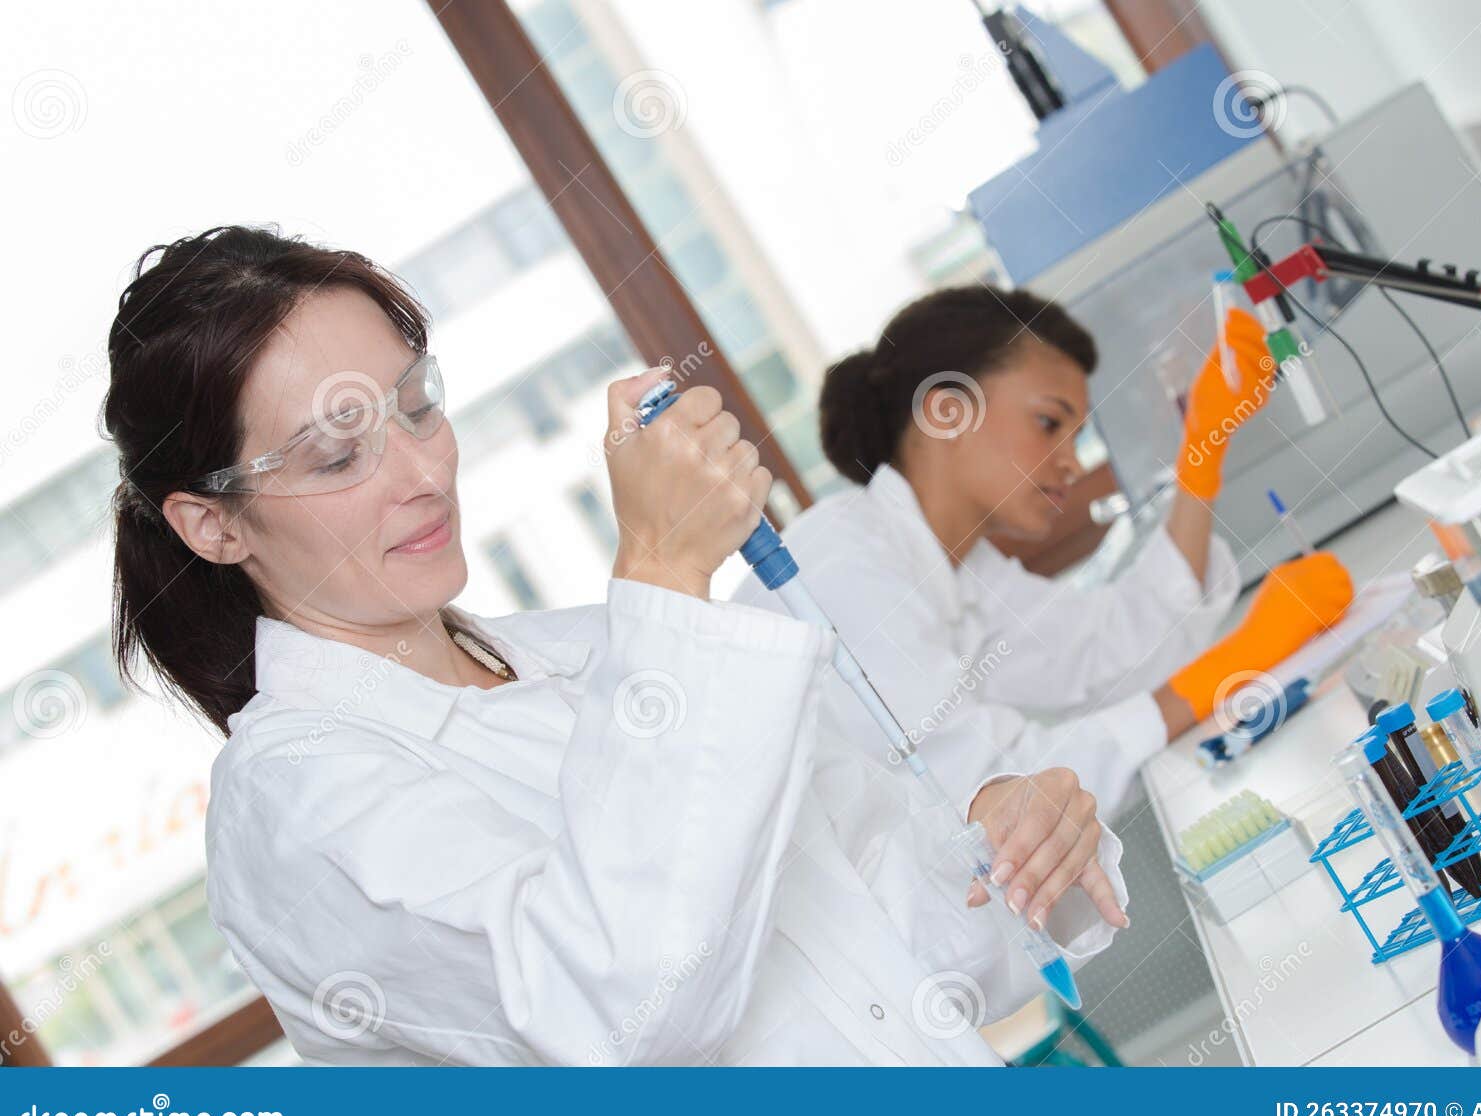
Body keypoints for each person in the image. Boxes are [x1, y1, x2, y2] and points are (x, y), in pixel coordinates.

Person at [102, 227, 1129, 1066]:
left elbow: (903, 941)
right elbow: (623, 1019)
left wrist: (1012, 848)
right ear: (213, 524)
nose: (420, 470)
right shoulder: (290, 804)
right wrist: (665, 571)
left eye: (419, 404)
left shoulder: (596, 651)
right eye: (337, 454)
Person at [734, 286, 1353, 838]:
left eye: (1075, 435)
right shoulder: (843, 568)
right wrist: (1240, 663)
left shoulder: (961, 565)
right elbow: (1004, 793)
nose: (1070, 464)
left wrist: (1202, 456)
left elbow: (1111, 649)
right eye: (1048, 422)